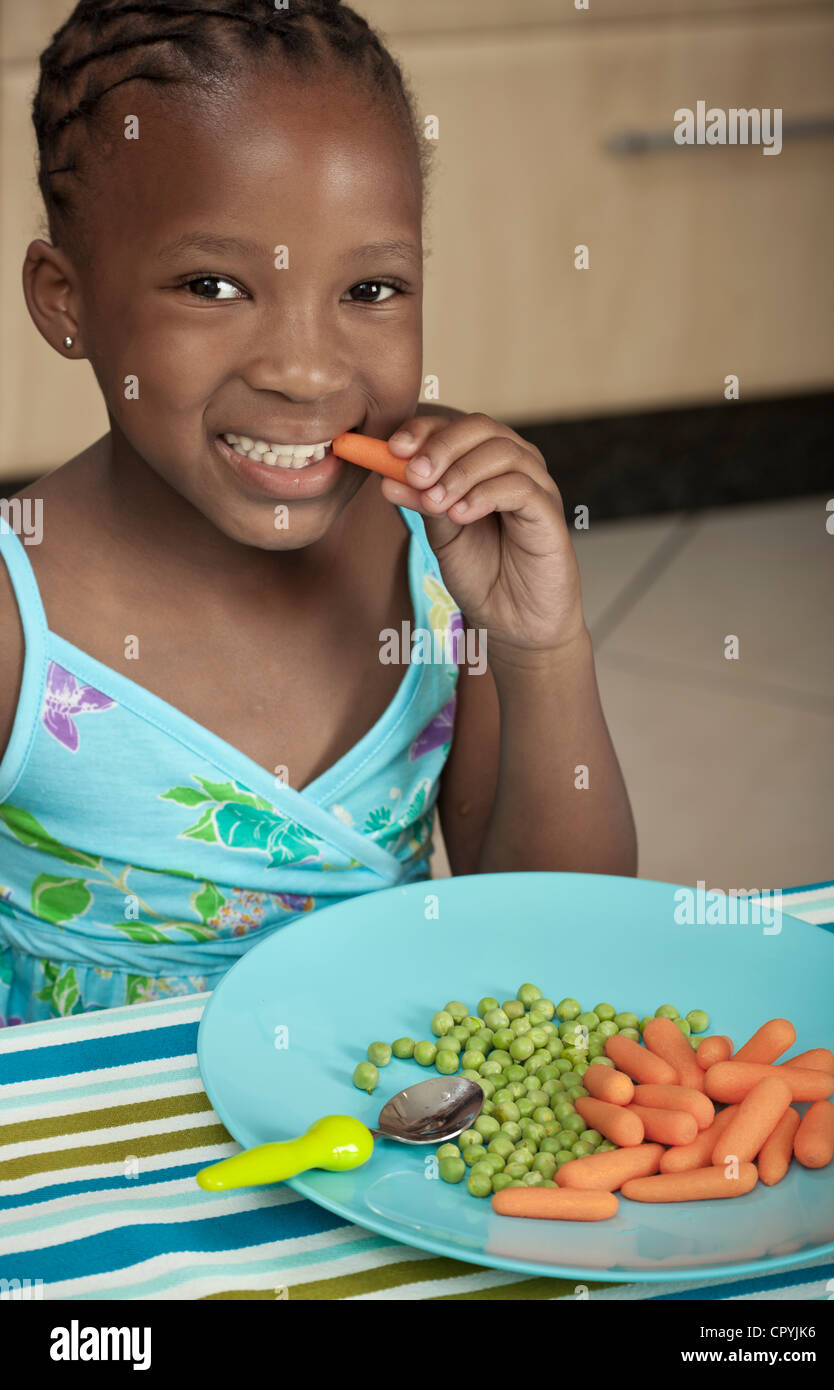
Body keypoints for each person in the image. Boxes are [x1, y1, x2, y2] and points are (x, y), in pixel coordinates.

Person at [0, 0, 636, 1026]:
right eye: (213, 285)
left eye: (371, 289)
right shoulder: (16, 612)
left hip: (379, 1139)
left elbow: (560, 953)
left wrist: (540, 647)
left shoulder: (439, 570)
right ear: (64, 299)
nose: (304, 371)